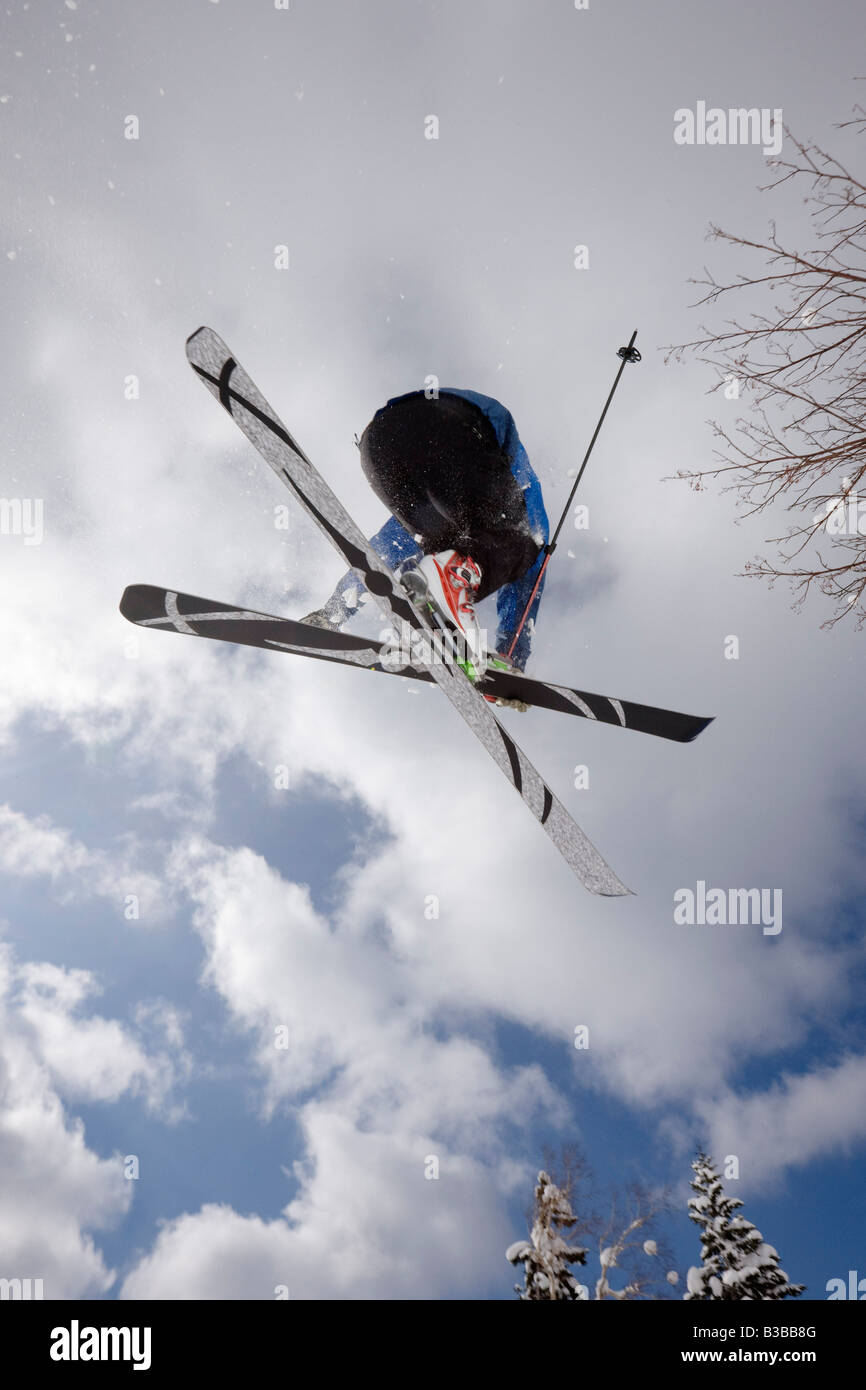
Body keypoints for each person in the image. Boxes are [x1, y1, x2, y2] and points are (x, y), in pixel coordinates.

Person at [303, 386, 549, 684]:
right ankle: (449, 584)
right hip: (457, 428)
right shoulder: (522, 490)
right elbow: (530, 579)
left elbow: (387, 548)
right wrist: (512, 660)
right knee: (523, 548)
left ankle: (426, 610)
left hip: (380, 449)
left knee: (435, 550)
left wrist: (334, 613)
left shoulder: (446, 515)